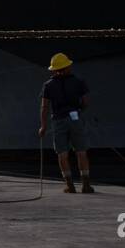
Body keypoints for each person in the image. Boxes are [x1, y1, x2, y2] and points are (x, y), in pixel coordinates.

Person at [39, 52, 93, 193]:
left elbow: (45, 107)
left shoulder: (48, 85)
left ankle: (70, 185)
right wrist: (79, 111)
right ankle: (86, 185)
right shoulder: (79, 81)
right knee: (81, 152)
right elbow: (86, 102)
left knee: (62, 154)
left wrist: (43, 126)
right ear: (68, 66)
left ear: (55, 69)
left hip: (58, 120)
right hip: (75, 118)